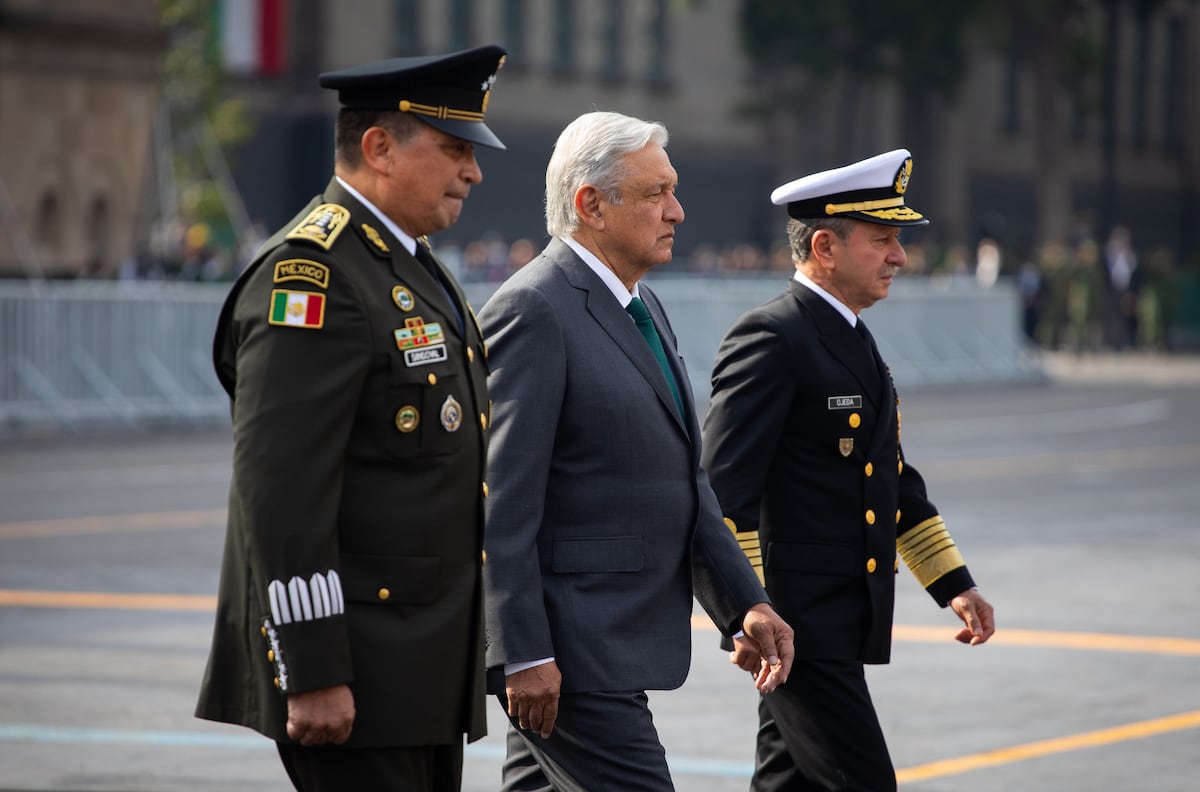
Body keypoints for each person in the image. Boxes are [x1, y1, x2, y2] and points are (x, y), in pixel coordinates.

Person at [194, 45, 508, 792]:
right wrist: (313, 668)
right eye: (456, 150)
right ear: (378, 148)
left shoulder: (407, 265)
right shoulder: (315, 275)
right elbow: (282, 493)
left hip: (420, 667)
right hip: (356, 669)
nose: (474, 171)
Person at [477, 110, 796, 791]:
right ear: (590, 204)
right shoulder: (535, 309)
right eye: (656, 193)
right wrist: (522, 651)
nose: (677, 211)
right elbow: (500, 502)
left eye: (673, 190)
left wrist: (743, 602)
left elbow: (686, 481)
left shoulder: (641, 306)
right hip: (573, 654)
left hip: (609, 649)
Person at [701, 149, 996, 791]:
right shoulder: (773, 337)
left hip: (837, 621)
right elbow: (721, 496)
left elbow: (889, 478)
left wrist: (952, 583)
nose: (900, 256)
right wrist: (745, 611)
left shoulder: (853, 337)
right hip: (794, 626)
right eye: (884, 239)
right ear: (826, 246)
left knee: (789, 783)